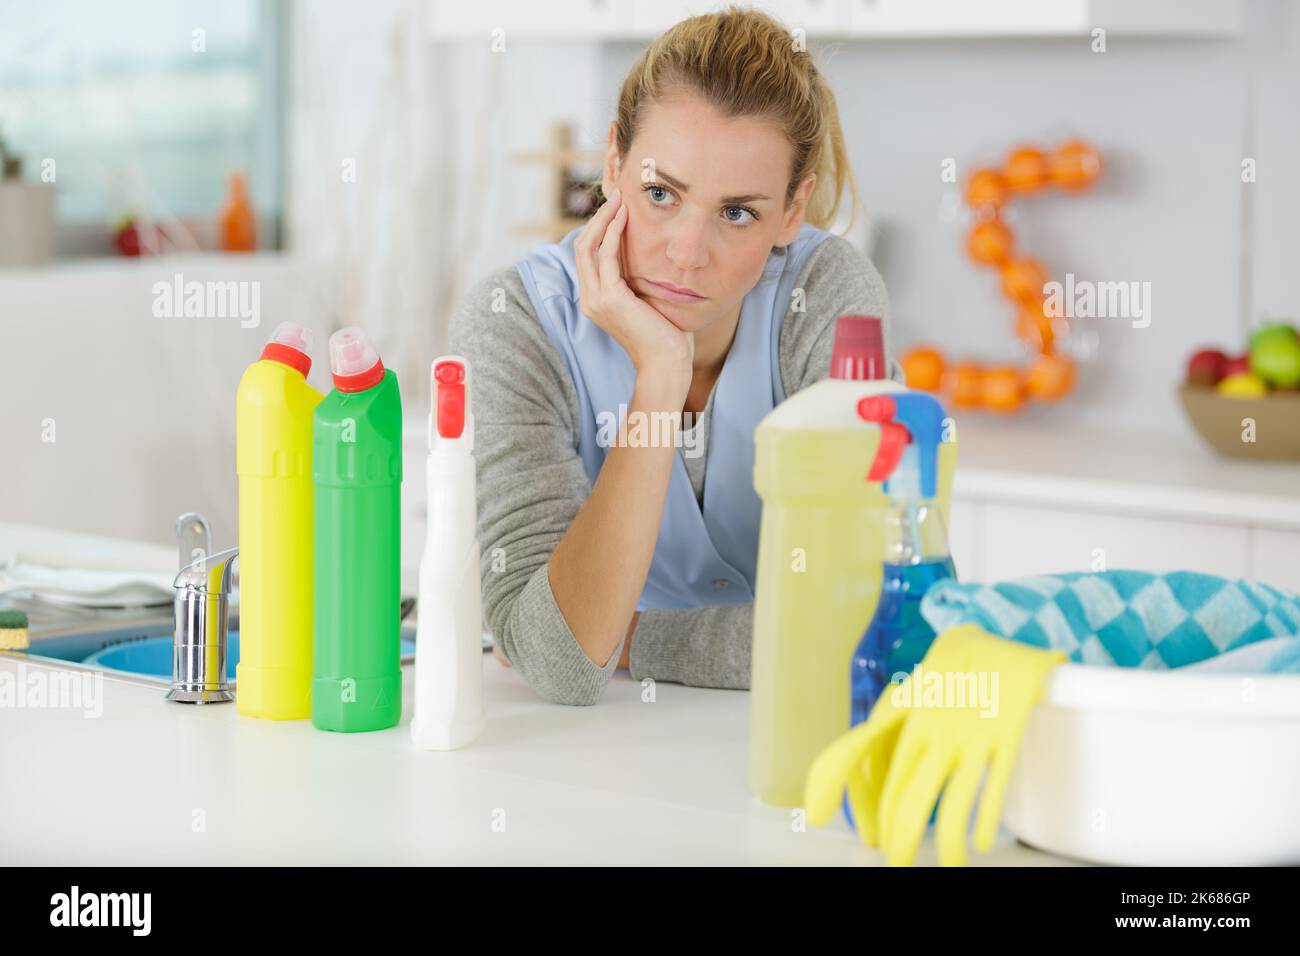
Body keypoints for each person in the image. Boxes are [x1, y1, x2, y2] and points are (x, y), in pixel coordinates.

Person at [449, 6, 899, 705]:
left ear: (791, 210)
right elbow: (557, 661)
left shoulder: (827, 299)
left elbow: (870, 622)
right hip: (600, 755)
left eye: (737, 212)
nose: (686, 255)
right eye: (661, 195)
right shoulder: (516, 325)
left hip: (796, 736)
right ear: (613, 164)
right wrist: (660, 378)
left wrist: (631, 639)